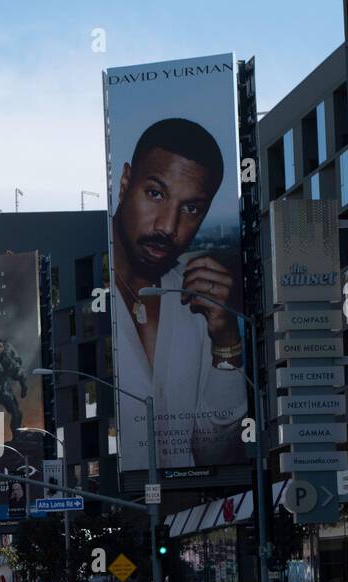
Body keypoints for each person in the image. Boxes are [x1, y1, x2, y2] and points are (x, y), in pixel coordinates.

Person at [110, 117, 247, 469]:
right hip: (96, 520)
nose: (167, 227)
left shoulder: (201, 295)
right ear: (126, 182)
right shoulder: (72, 294)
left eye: (190, 209)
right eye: (155, 194)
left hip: (188, 520)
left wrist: (226, 341)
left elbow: (213, 454)